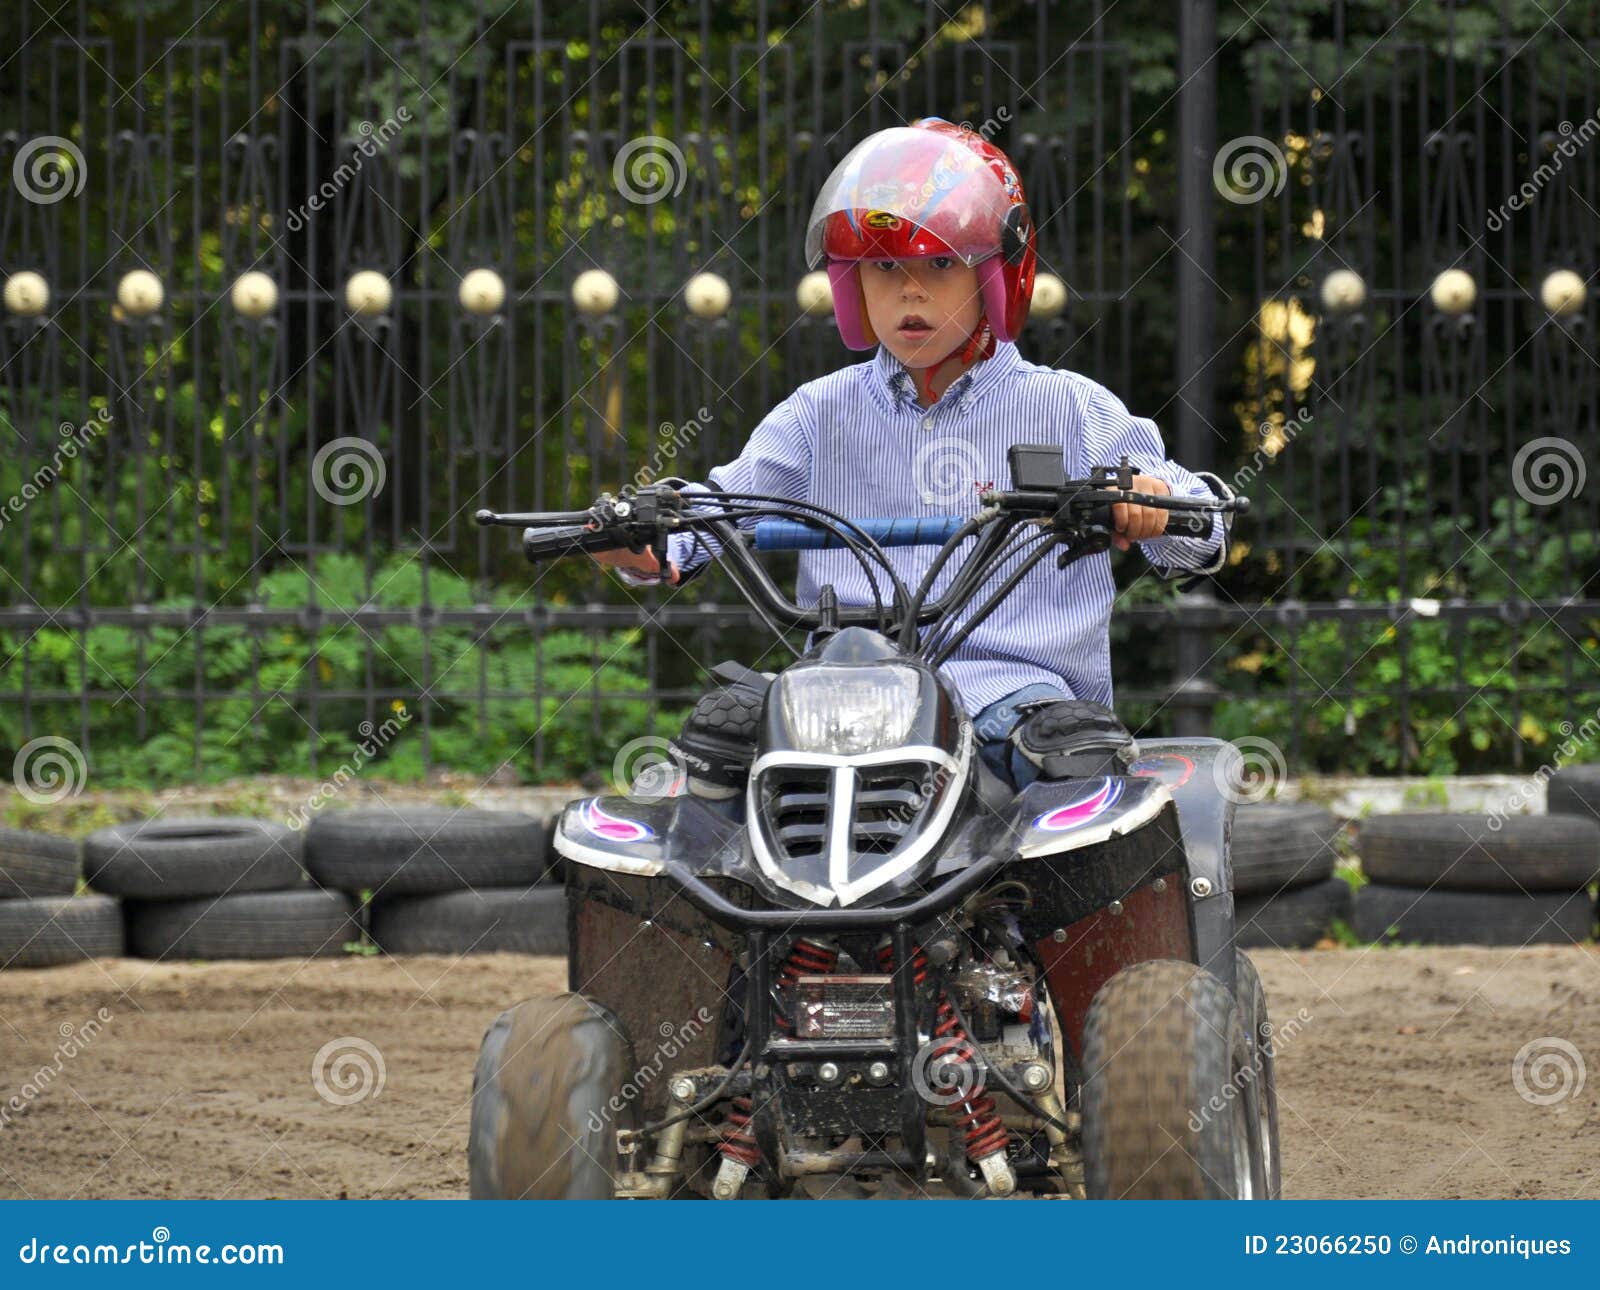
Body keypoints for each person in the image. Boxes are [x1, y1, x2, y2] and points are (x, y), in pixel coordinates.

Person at [595, 117, 1233, 789]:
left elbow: (1204, 528)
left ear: (996, 277)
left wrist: (1157, 506)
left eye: (939, 265)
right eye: (883, 269)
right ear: (851, 285)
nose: (910, 293)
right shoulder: (817, 414)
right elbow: (717, 509)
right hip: (840, 699)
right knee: (710, 753)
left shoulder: (1072, 409)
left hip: (1012, 701)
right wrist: (647, 543)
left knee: (1073, 761)